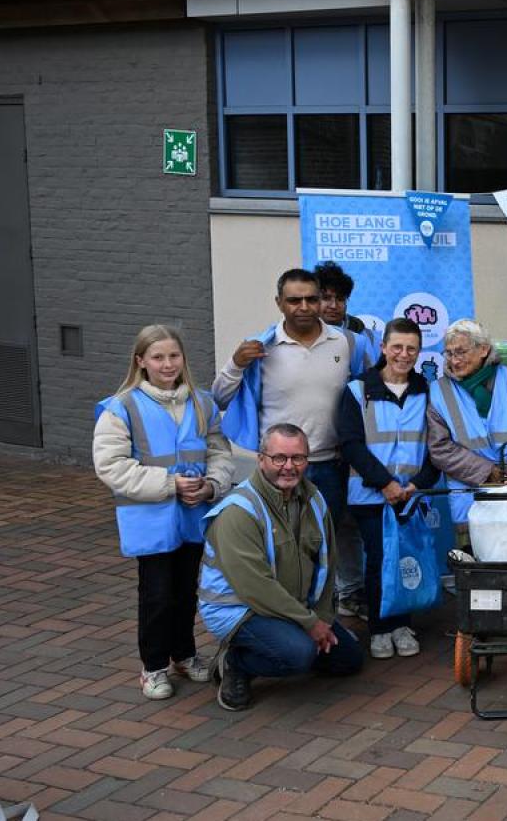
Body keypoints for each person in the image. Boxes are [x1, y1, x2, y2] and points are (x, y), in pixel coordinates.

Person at [211, 269, 372, 620]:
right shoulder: (259, 347)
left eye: (311, 299)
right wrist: (236, 364)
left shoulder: (349, 344)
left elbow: (369, 393)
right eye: (294, 300)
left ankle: (330, 609)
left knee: (329, 541)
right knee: (281, 544)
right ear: (279, 303)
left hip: (332, 463)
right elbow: (219, 399)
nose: (304, 307)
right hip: (277, 468)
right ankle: (285, 611)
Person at [93, 325, 235, 700]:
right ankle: (153, 667)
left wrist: (211, 486)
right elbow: (111, 466)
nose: (167, 364)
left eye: (174, 356)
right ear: (141, 362)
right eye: (157, 357)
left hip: (193, 515)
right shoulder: (122, 407)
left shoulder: (203, 403)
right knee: (157, 596)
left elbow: (220, 454)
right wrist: (170, 483)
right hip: (150, 520)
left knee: (187, 590)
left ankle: (184, 654)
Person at [200, 424, 363, 712]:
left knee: (349, 660)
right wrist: (310, 625)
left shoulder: (314, 499)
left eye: (298, 458)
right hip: (241, 610)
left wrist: (323, 617)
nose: (289, 467)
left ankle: (290, 639)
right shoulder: (238, 512)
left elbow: (328, 563)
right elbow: (256, 587)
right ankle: (235, 663)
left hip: (291, 606)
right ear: (261, 459)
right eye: (279, 458)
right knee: (298, 655)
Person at [335, 319, 442, 660]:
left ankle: (402, 624)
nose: (403, 354)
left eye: (411, 348)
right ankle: (381, 627)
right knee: (379, 560)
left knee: (407, 558)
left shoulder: (429, 391)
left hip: (412, 494)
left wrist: (417, 484)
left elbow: (438, 447)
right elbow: (350, 444)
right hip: (371, 496)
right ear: (382, 347)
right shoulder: (356, 390)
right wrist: (385, 483)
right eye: (397, 346)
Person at [426, 319, 507, 542]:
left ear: (484, 350)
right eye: (449, 353)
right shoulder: (438, 392)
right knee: (473, 561)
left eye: (461, 352)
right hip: (468, 493)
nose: (454, 360)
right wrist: (487, 471)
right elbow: (440, 448)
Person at [315, 260, 382, 361]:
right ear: (313, 300)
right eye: (326, 298)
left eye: (340, 299)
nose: (333, 305)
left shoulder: (371, 339)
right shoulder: (299, 336)